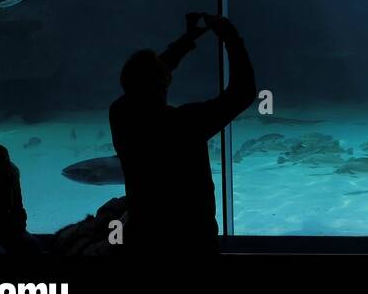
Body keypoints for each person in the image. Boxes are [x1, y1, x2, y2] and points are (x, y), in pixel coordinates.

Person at [110, 13, 257, 255]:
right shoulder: (184, 123)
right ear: (164, 83)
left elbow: (150, 77)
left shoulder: (120, 113)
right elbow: (243, 92)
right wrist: (231, 38)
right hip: (193, 241)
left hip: (145, 237)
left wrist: (186, 40)